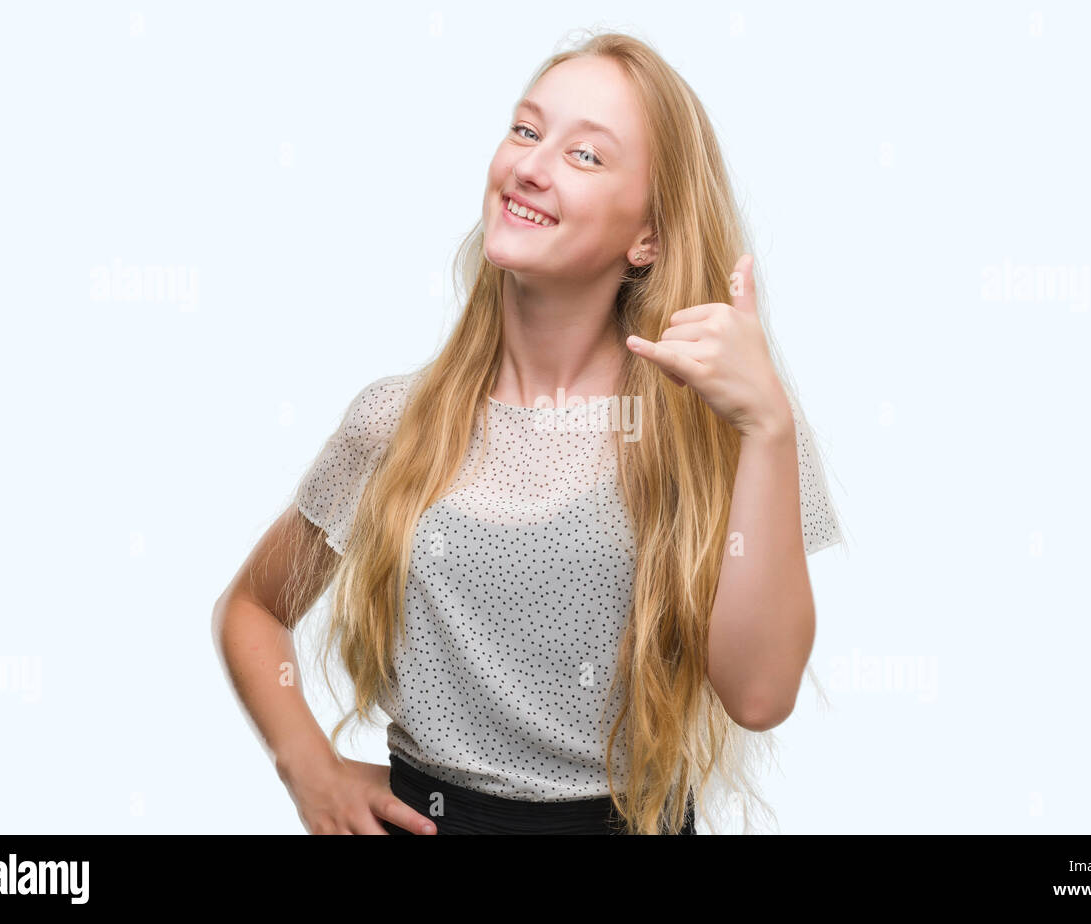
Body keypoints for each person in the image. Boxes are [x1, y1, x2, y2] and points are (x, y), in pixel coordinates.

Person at [212, 30, 843, 836]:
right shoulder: (393, 422)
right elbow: (255, 607)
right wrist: (309, 769)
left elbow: (760, 698)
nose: (532, 167)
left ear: (646, 237)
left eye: (586, 156)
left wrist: (766, 428)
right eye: (525, 129)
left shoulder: (722, 426)